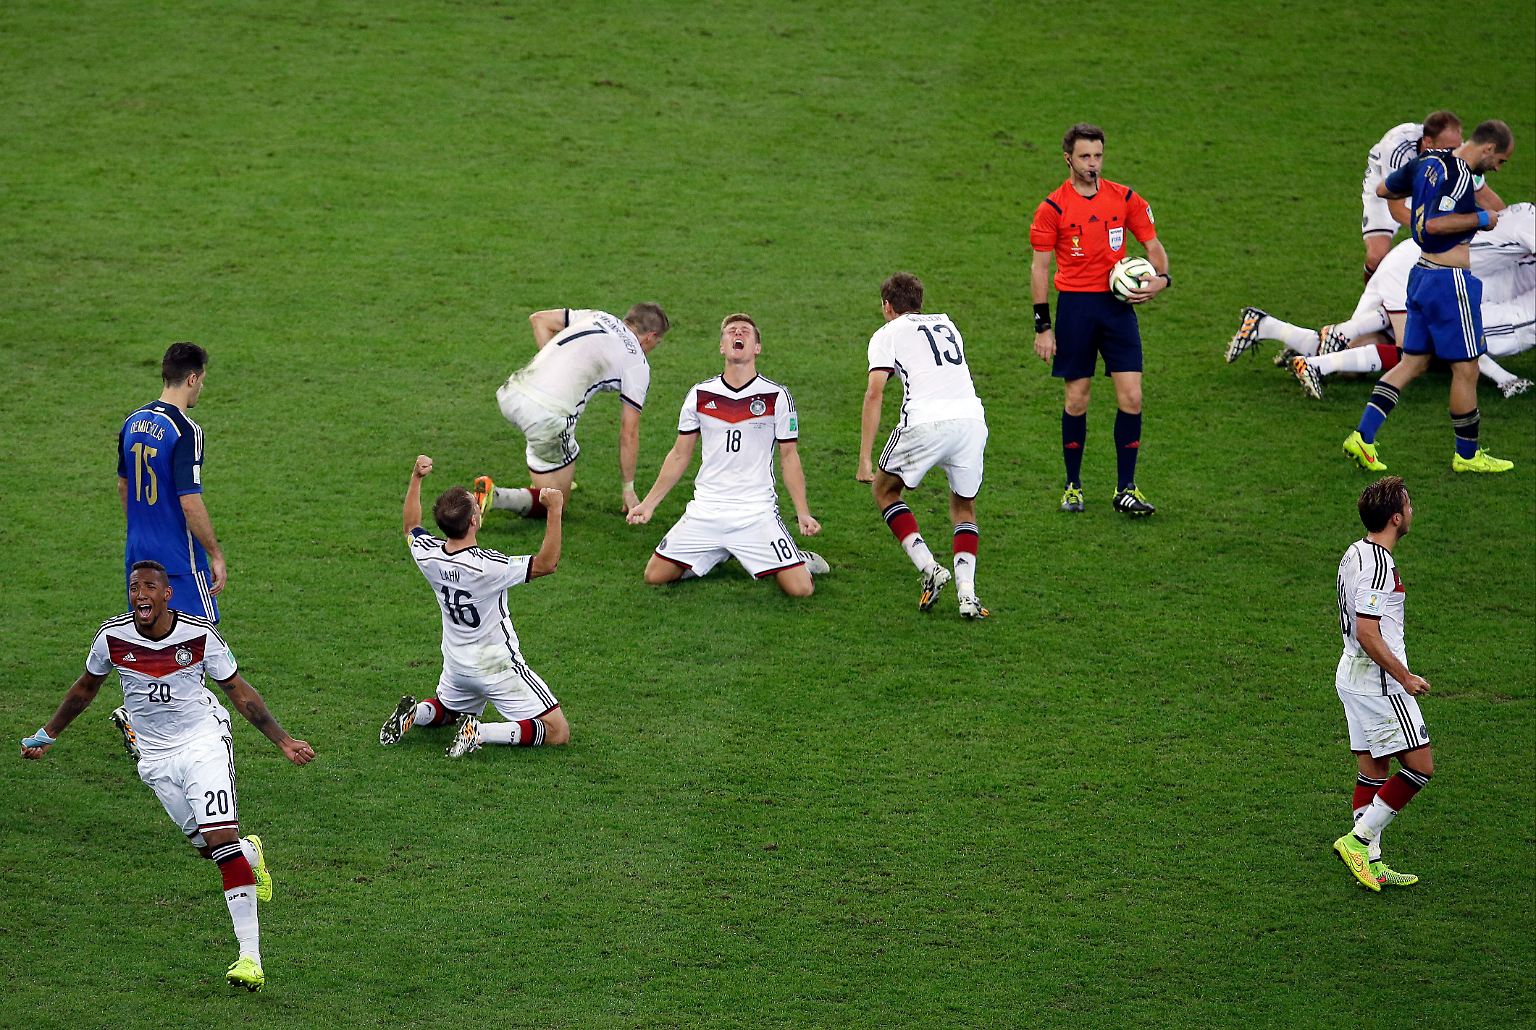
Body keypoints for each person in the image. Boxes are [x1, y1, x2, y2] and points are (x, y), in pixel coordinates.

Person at [20, 560, 316, 991]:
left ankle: (250, 958)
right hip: (156, 758)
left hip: (203, 743)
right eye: (134, 587)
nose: (140, 594)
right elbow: (85, 688)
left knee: (220, 841)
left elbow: (240, 692)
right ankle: (251, 855)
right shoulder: (112, 638)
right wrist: (48, 733)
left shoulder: (199, 636)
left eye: (149, 587)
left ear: (166, 594)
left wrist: (283, 740)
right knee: (210, 850)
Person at [1342, 120, 1517, 474]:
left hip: (1421, 274)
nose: (1498, 168)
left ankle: (1362, 437)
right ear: (1487, 148)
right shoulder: (1460, 176)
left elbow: (1384, 189)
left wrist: (1421, 201)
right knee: (1467, 368)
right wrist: (1480, 217)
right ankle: (1467, 456)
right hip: (1450, 282)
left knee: (1413, 363)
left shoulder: (1427, 161)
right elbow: (1436, 224)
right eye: (1500, 160)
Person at [625, 314, 828, 597]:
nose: (738, 333)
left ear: (757, 347)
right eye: (731, 331)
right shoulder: (700, 394)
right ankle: (722, 552)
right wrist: (648, 504)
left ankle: (799, 559)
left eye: (745, 331)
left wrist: (802, 512)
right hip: (706, 511)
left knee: (800, 589)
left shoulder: (777, 396)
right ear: (722, 347)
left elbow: (789, 457)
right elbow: (680, 454)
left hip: (755, 513)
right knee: (654, 575)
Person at [379, 455, 569, 757]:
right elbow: (546, 564)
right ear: (474, 522)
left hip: (457, 664)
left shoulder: (428, 554)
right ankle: (480, 732)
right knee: (557, 730)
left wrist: (416, 478)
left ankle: (418, 713)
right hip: (496, 666)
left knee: (447, 710)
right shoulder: (488, 566)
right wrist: (554, 510)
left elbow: (411, 526)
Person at [1030, 123, 1171, 516]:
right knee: (1077, 399)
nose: (1092, 164)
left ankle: (1126, 487)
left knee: (1132, 397)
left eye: (1098, 156)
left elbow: (1153, 246)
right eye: (1085, 157)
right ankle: (1073, 485)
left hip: (1117, 310)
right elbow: (1040, 269)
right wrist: (1043, 326)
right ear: (1068, 159)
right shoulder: (1052, 208)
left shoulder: (1124, 198)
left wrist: (1162, 280)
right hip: (1076, 309)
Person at [857, 273, 990, 618]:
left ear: (887, 306)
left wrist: (865, 458)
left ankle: (930, 568)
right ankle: (967, 595)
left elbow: (874, 393)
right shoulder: (948, 324)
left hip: (925, 422)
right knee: (964, 506)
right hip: (971, 421)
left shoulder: (887, 333)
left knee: (885, 490)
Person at [475, 303, 669, 521]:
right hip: (546, 416)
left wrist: (552, 369)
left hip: (512, 391)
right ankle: (495, 496)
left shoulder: (597, 316)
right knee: (555, 504)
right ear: (651, 337)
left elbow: (539, 319)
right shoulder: (637, 363)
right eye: (658, 342)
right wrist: (628, 489)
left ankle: (549, 472)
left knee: (555, 452)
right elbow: (629, 433)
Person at [1330, 477, 1432, 892]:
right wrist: (1404, 676)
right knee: (1420, 767)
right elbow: (1368, 631)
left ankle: (1371, 862)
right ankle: (1357, 841)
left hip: (1351, 674)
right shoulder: (1378, 565)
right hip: (1379, 682)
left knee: (1373, 770)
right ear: (1395, 518)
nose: (1411, 511)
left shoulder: (1354, 552)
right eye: (1407, 505)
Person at [119, 342, 227, 622]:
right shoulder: (185, 431)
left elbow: (124, 487)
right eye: (201, 380)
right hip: (179, 560)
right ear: (191, 379)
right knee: (202, 637)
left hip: (138, 556)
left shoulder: (132, 422)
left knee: (148, 635)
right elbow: (189, 502)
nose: (201, 387)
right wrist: (215, 554)